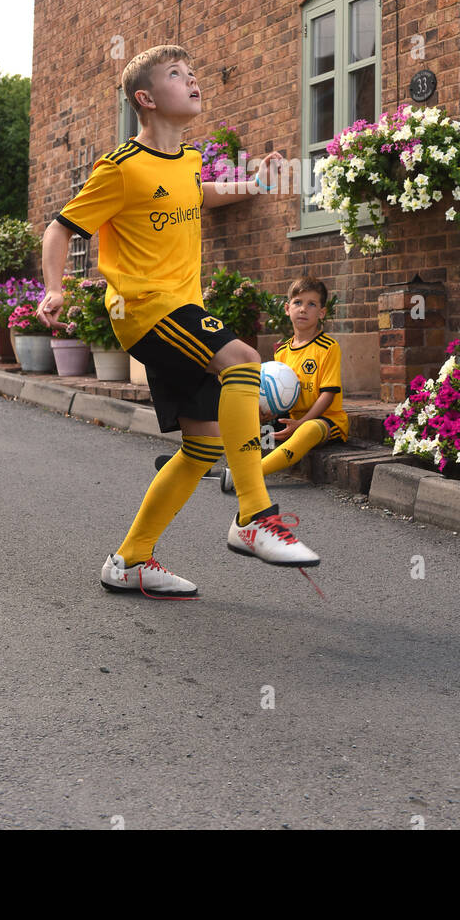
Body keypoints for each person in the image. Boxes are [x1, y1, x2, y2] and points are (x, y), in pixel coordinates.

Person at [35, 44, 320, 599]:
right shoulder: (120, 169)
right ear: (145, 98)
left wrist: (252, 184)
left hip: (180, 310)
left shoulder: (187, 161)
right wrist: (54, 287)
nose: (192, 80)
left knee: (202, 445)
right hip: (146, 308)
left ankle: (131, 560)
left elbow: (200, 194)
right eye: (176, 75)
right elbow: (59, 228)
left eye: (193, 73)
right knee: (244, 360)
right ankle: (254, 516)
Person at [220, 275, 348, 491]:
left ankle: (248, 476)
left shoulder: (328, 347)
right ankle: (207, 457)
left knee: (307, 431)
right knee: (244, 415)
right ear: (288, 309)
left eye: (312, 304)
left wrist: (301, 422)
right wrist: (268, 412)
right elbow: (275, 393)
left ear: (322, 313)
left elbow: (328, 395)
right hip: (290, 418)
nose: (303, 309)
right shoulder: (282, 351)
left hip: (324, 420)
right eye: (298, 303)